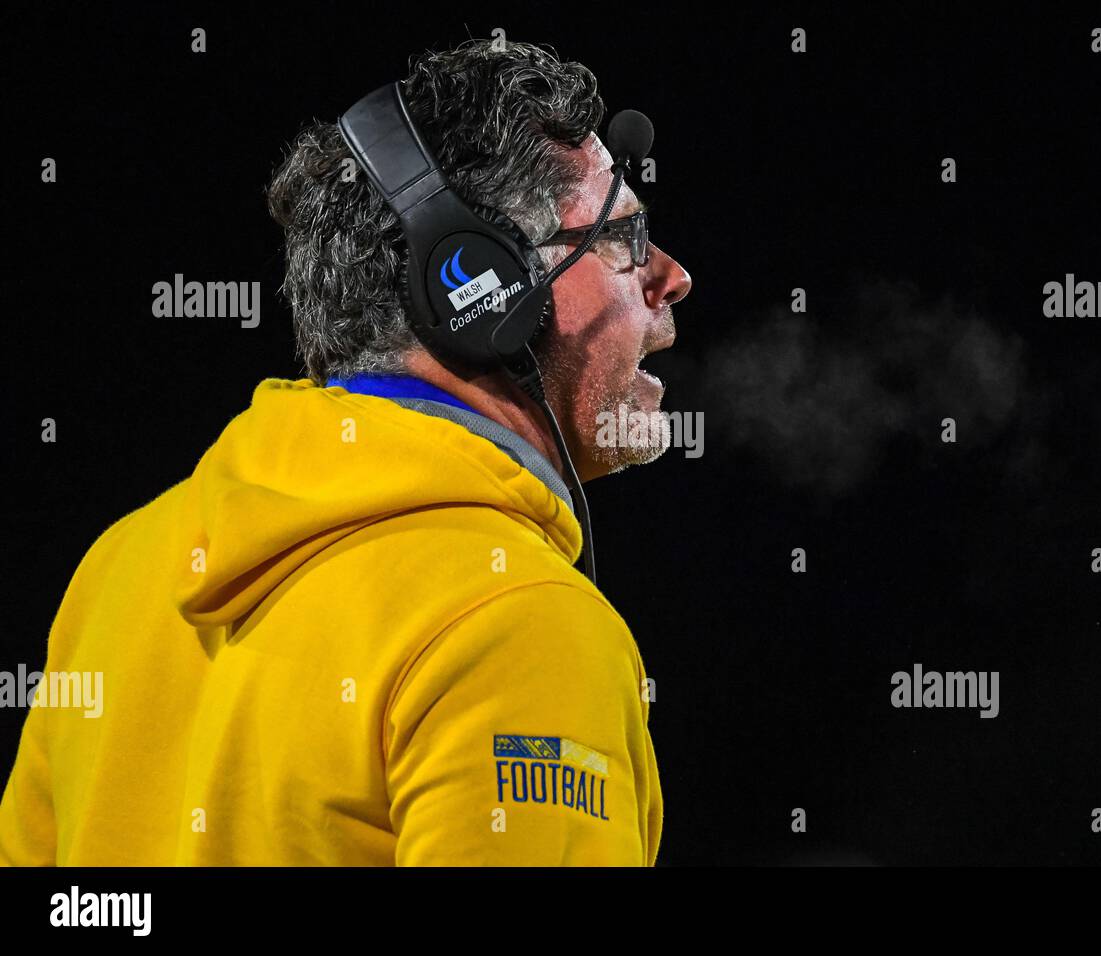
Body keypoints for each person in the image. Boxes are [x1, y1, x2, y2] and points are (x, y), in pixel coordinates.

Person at [0, 39, 691, 866]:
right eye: (623, 236)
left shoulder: (122, 568)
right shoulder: (515, 626)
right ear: (477, 286)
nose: (670, 274)